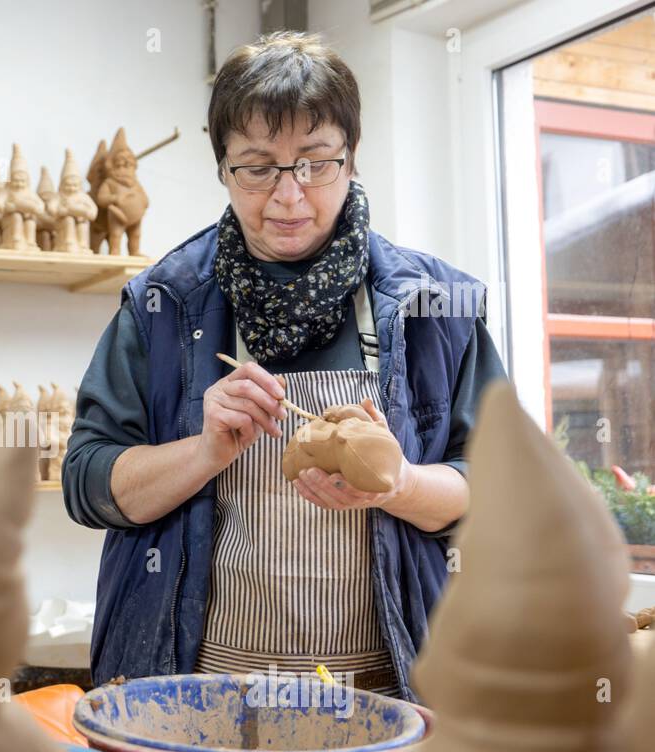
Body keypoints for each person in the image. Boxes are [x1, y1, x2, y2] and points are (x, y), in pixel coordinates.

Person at [62, 32, 506, 702]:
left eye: (315, 163)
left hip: (392, 690)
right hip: (199, 691)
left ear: (352, 160)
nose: (289, 196)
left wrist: (398, 484)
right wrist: (204, 450)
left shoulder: (434, 307)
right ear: (223, 170)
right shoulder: (164, 304)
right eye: (258, 167)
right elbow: (87, 483)